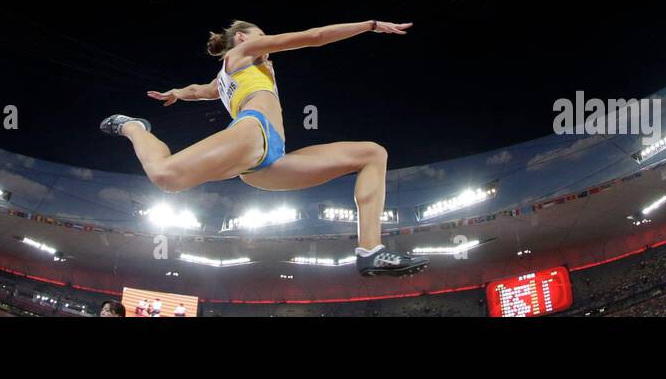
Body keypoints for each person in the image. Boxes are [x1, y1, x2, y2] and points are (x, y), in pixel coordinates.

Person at [101, 19, 428, 278]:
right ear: (243, 38)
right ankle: (133, 126)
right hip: (253, 131)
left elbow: (199, 90)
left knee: (373, 154)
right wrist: (369, 25)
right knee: (165, 176)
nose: (266, 43)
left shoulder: (227, 78)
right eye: (261, 35)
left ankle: (370, 250)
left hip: (269, 162)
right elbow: (314, 36)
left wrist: (176, 92)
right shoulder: (243, 52)